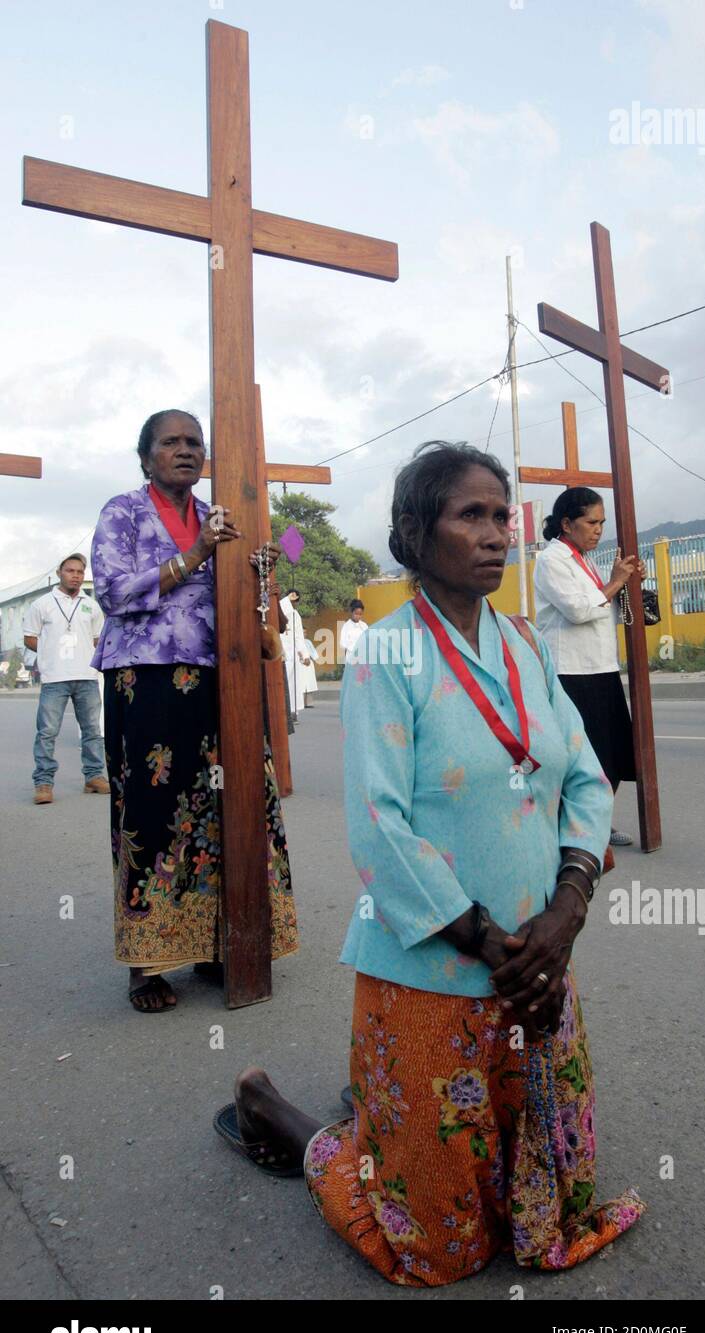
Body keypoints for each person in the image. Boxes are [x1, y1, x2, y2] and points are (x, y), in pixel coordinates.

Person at [216, 441, 644, 1287]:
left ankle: (385, 1116)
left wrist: (565, 910)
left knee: (541, 1209)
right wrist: (494, 943)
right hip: (440, 965)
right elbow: (380, 827)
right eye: (469, 516)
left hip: (537, 959)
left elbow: (586, 779)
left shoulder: (524, 645)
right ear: (414, 534)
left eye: (500, 517)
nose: (494, 535)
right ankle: (280, 1113)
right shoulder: (386, 653)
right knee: (437, 1250)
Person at [91, 410, 298, 1013]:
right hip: (146, 678)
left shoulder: (219, 516)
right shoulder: (122, 511)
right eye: (170, 442)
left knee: (226, 804)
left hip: (220, 678)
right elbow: (112, 591)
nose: (185, 450)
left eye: (194, 442)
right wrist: (193, 557)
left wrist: (262, 578)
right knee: (154, 811)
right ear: (146, 454)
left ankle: (221, 940)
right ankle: (147, 961)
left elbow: (239, 595)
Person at [533, 487, 646, 848]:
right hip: (572, 672)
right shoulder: (552, 560)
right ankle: (579, 824)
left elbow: (603, 609)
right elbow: (579, 610)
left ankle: (597, 818)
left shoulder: (586, 559)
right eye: (591, 522)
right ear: (567, 524)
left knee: (611, 753)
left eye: (602, 522)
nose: (598, 529)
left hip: (601, 667)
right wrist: (615, 583)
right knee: (585, 756)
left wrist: (628, 584)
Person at [23, 553, 109, 805]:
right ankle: (43, 783)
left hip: (86, 676)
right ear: (60, 572)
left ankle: (93, 777)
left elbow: (96, 640)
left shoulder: (91, 606)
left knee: (92, 731)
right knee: (47, 732)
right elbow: (30, 638)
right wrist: (51, 653)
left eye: (80, 572)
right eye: (70, 571)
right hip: (55, 678)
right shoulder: (42, 604)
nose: (75, 575)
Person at [279, 589, 310, 721]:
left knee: (294, 683)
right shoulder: (281, 608)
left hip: (293, 653)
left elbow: (299, 637)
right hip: (281, 651)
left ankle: (293, 711)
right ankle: (282, 711)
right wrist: (287, 599)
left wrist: (305, 654)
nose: (294, 604)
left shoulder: (296, 615)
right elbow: (279, 608)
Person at [302, 637, 319, 709]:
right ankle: (300, 703)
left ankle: (308, 703)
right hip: (300, 664)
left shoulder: (308, 642)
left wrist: (312, 658)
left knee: (309, 683)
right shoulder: (296, 641)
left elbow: (313, 652)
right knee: (301, 683)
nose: (303, 634)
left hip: (308, 663)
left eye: (305, 632)